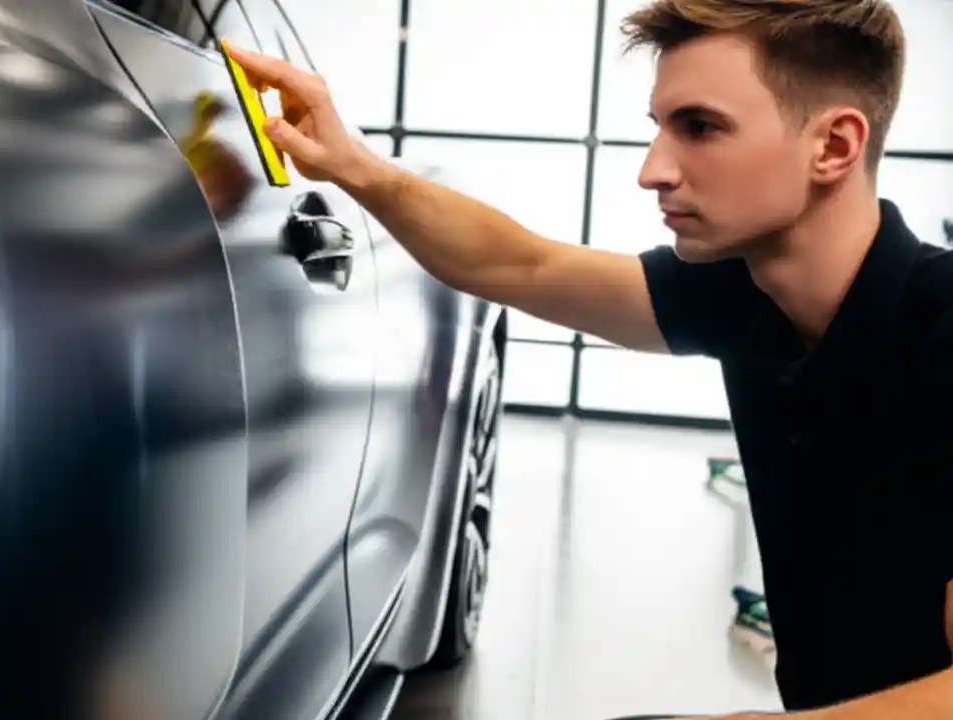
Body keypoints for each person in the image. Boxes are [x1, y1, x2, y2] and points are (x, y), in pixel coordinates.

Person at [223, 0, 953, 717]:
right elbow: (522, 266)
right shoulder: (747, 293)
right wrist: (352, 164)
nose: (653, 170)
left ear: (833, 147)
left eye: (700, 128)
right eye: (662, 127)